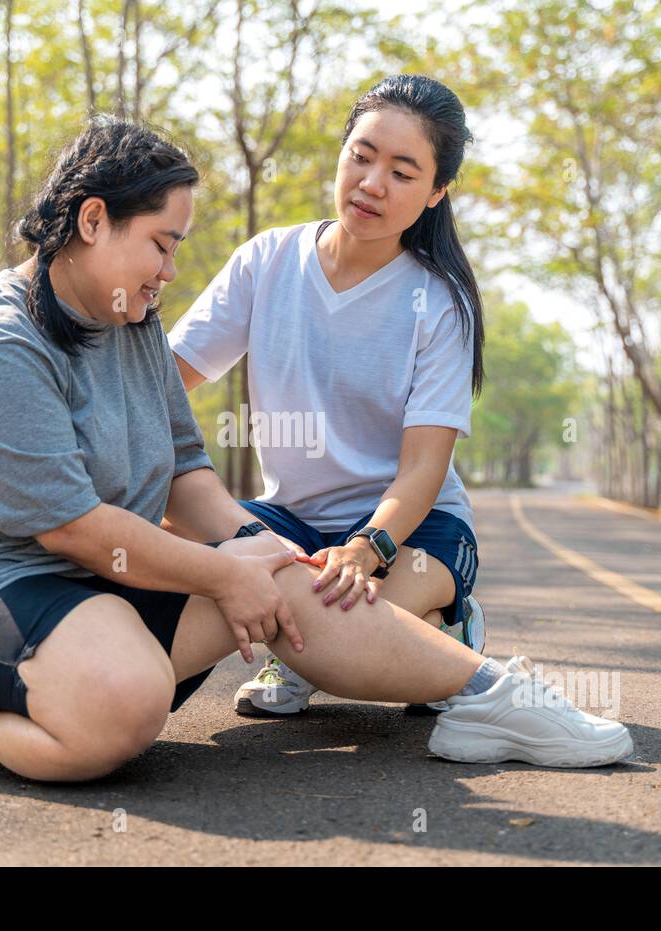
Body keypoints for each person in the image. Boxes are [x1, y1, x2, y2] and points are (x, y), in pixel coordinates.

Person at [0, 115, 634, 784]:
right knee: (125, 704)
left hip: (86, 585)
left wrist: (254, 552)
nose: (172, 271)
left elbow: (185, 470)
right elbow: (75, 528)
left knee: (284, 572)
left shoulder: (131, 322)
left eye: (177, 250)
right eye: (162, 244)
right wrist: (220, 572)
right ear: (94, 220)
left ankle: (495, 697)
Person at [170, 75, 486, 717]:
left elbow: (424, 468)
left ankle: (448, 624)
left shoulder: (439, 304)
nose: (372, 183)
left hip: (414, 533)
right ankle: (310, 648)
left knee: (338, 634)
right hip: (291, 522)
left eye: (403, 172)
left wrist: (369, 547)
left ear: (435, 193)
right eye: (361, 156)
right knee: (172, 557)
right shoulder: (267, 260)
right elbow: (164, 382)